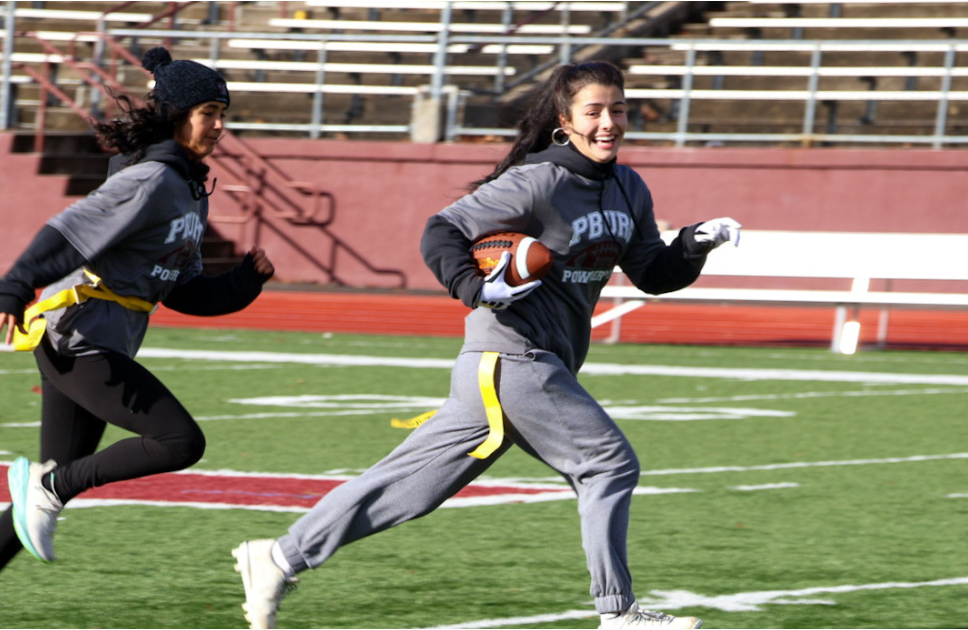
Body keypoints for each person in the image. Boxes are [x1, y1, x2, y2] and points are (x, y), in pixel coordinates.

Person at [231, 61, 739, 630]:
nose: (608, 123)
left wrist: (695, 243)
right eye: (593, 111)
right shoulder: (538, 180)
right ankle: (618, 614)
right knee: (608, 463)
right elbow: (440, 230)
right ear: (564, 120)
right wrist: (477, 288)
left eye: (617, 110)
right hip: (512, 354)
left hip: (527, 366)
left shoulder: (629, 187)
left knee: (411, 488)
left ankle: (278, 557)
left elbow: (651, 272)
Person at [0, 46, 275, 629]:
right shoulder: (151, 179)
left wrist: (244, 283)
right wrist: (13, 287)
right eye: (209, 111)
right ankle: (48, 489)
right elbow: (66, 231)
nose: (221, 126)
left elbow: (181, 290)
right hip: (76, 338)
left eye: (223, 112)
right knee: (179, 441)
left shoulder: (187, 190)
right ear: (177, 114)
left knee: (54, 481)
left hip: (99, 342)